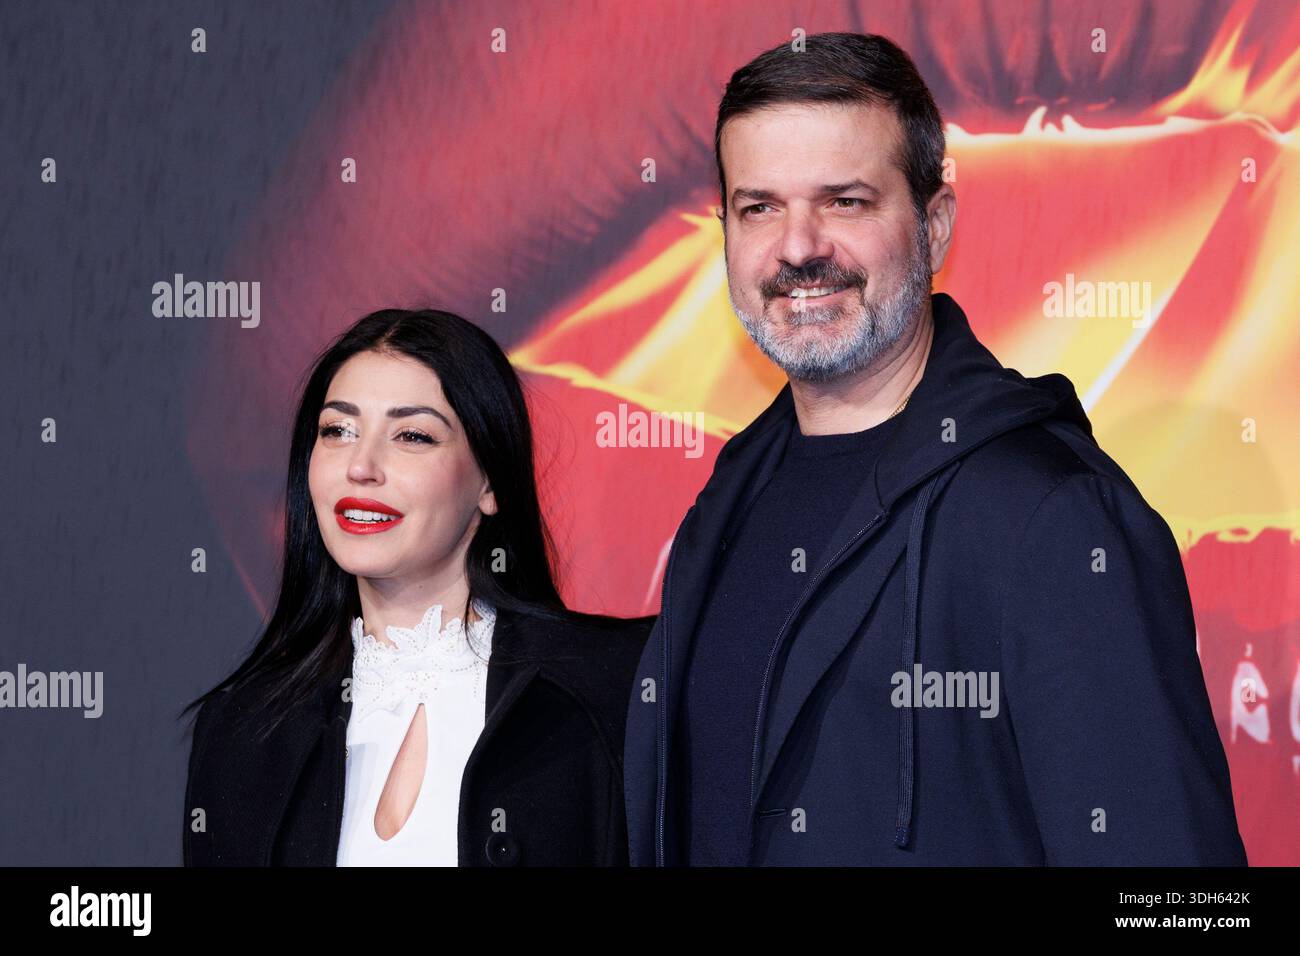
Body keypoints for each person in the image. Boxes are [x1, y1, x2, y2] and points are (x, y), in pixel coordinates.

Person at [623, 32, 1247, 866]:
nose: (799, 248)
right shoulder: (724, 507)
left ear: (935, 223)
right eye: (760, 207)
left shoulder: (1051, 517)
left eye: (845, 201)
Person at [181, 308, 652, 866]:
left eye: (412, 435)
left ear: (490, 482)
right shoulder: (244, 729)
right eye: (338, 430)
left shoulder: (619, 689)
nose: (361, 466)